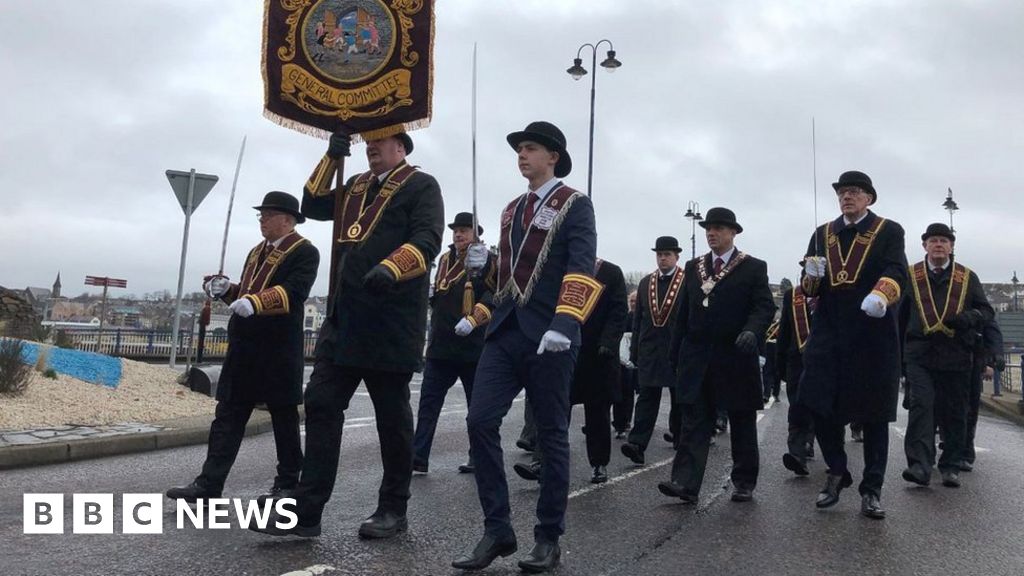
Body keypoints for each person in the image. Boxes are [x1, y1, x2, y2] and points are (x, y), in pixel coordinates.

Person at [250, 130, 443, 539]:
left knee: (391, 419)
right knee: (320, 405)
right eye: (367, 140)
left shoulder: (421, 185)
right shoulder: (353, 184)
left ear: (402, 148)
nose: (371, 146)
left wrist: (392, 268)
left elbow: (427, 241)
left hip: (390, 319)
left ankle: (393, 507)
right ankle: (307, 510)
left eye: (381, 140)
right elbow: (313, 204)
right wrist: (331, 155)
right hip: (344, 318)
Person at [452, 121, 598, 573]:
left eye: (530, 148)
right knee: (479, 422)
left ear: (552, 156)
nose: (521, 155)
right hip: (506, 331)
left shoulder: (576, 203)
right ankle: (498, 529)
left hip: (551, 336)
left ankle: (548, 536)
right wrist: (481, 265)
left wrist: (565, 322)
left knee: (551, 436)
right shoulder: (512, 209)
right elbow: (505, 279)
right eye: (519, 149)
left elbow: (582, 264)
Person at [166, 192, 319, 504]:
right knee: (227, 417)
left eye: (268, 214)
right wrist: (228, 290)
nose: (262, 219)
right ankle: (209, 484)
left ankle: (288, 483)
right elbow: (245, 295)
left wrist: (255, 301)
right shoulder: (255, 252)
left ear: (287, 220)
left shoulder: (305, 252)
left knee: (284, 418)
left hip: (278, 348)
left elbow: (293, 293)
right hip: (245, 348)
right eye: (261, 214)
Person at [799, 170, 907, 519]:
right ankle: (836, 471)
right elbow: (810, 290)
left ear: (869, 198)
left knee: (873, 414)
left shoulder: (889, 230)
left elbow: (897, 271)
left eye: (855, 192)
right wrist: (810, 278)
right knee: (817, 401)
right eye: (843, 192)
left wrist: (881, 295)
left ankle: (871, 489)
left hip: (872, 332)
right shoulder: (822, 233)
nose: (848, 197)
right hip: (830, 332)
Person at [658, 208, 776, 504]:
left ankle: (744, 480)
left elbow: (763, 307)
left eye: (719, 228)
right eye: (709, 228)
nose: (712, 233)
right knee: (694, 422)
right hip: (698, 355)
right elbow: (683, 313)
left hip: (736, 354)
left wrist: (753, 331)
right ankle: (685, 483)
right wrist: (675, 353)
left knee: (742, 421)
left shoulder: (753, 267)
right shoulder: (694, 266)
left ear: (733, 232)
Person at [513, 258, 628, 485]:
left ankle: (599, 464)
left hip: (598, 356)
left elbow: (619, 311)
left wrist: (608, 341)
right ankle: (543, 462)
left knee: (597, 414)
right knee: (554, 412)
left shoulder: (611, 272)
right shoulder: (559, 269)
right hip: (564, 351)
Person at [900, 223, 993, 488]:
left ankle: (950, 465)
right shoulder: (910, 276)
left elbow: (987, 312)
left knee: (955, 411)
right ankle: (919, 465)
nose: (938, 244)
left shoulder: (967, 277)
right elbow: (899, 318)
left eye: (943, 240)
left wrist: (970, 317)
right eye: (933, 240)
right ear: (924, 246)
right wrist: (898, 356)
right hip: (920, 353)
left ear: (951, 247)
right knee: (922, 407)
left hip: (956, 355)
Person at [412, 212, 496, 475]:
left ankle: (477, 457)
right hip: (441, 345)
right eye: (456, 230)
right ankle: (418, 457)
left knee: (477, 410)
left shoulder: (487, 260)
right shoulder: (444, 259)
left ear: (476, 235)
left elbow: (495, 295)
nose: (459, 234)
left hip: (473, 346)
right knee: (428, 405)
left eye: (464, 230)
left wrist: (475, 319)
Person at [621, 237, 685, 466]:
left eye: (667, 254)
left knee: (679, 398)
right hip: (650, 349)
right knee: (647, 397)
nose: (662, 258)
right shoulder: (646, 282)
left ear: (677, 256)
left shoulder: (687, 281)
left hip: (677, 349)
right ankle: (637, 444)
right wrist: (635, 350)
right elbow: (638, 319)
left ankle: (680, 437)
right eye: (659, 254)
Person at [776, 262, 818, 476]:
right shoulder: (792, 295)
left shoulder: (834, 294)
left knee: (820, 407)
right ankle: (797, 453)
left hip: (824, 361)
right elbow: (784, 329)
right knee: (797, 405)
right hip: (796, 359)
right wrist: (779, 364)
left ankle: (811, 442)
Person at [963, 318, 1004, 470]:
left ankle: (966, 450)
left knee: (971, 408)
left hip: (972, 360)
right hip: (943, 359)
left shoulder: (976, 298)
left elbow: (991, 328)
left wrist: (991, 360)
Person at [612, 291, 640, 439]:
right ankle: (619, 422)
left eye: (636, 301)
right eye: (632, 301)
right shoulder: (625, 317)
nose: (633, 303)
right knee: (621, 390)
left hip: (637, 357)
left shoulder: (642, 317)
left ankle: (628, 420)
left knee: (631, 391)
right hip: (623, 357)